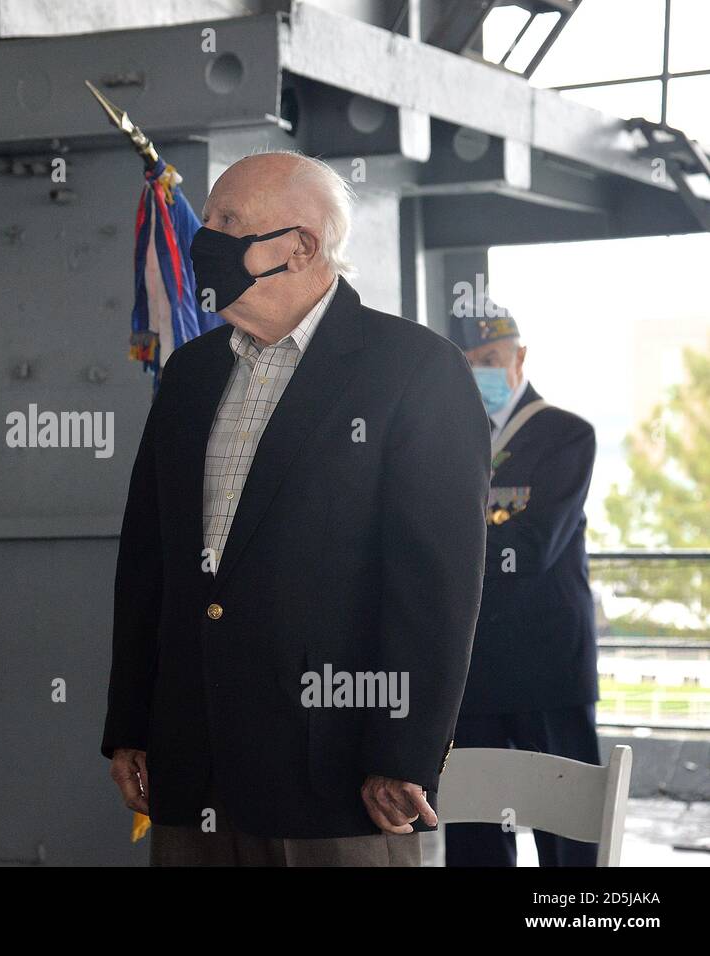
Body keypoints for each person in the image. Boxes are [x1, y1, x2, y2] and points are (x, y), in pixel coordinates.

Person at [102, 151, 490, 866]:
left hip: (338, 779)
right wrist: (131, 722)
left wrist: (404, 751)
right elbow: (148, 563)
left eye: (227, 222)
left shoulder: (415, 370)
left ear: (302, 246)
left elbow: (435, 588)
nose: (202, 237)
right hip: (193, 768)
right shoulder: (191, 373)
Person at [445, 309, 600, 867]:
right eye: (468, 366)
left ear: (519, 357)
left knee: (568, 837)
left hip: (548, 667)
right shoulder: (449, 439)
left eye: (490, 360)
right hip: (471, 672)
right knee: (473, 835)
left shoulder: (565, 434)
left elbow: (532, 548)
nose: (481, 373)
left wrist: (443, 546)